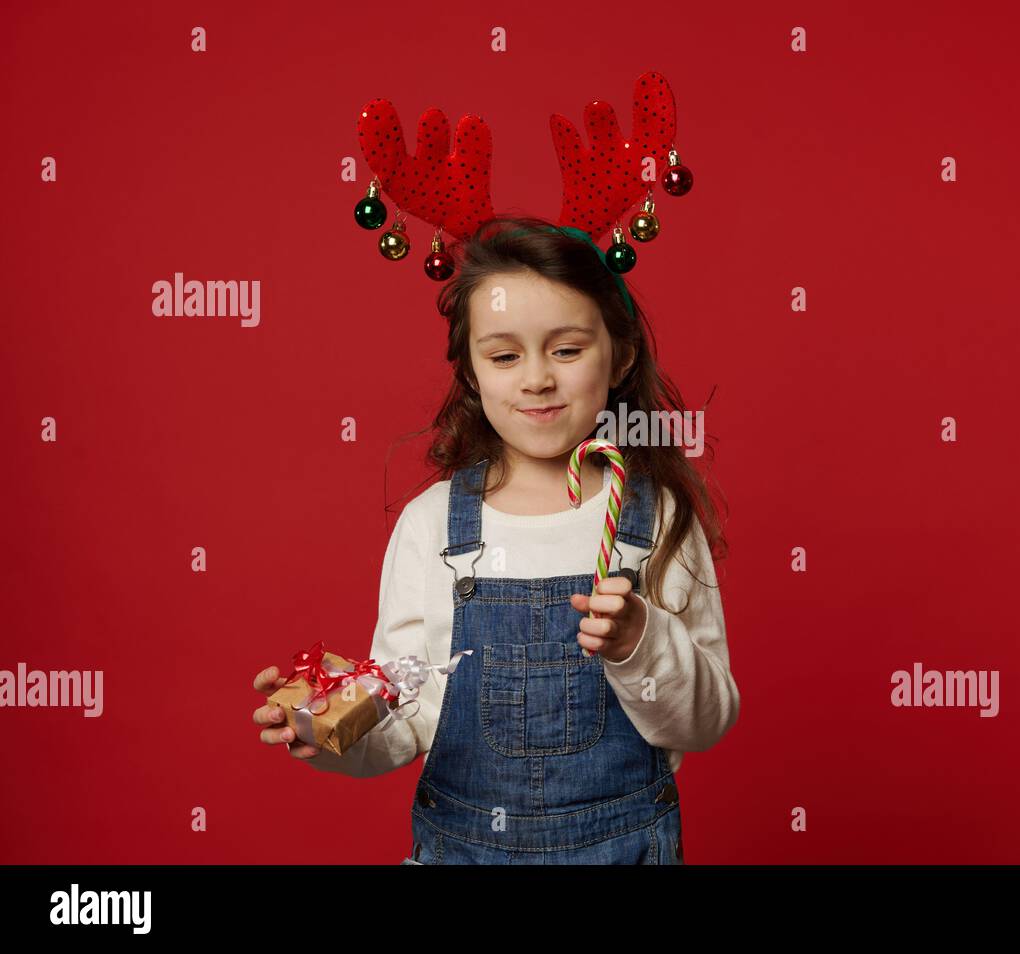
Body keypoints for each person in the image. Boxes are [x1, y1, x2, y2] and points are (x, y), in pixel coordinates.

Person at [251, 217, 738, 864]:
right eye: (505, 355)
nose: (536, 378)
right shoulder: (434, 525)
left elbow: (704, 722)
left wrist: (638, 642)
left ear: (620, 356)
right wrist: (329, 724)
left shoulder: (654, 521)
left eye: (566, 350)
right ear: (473, 372)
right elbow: (408, 714)